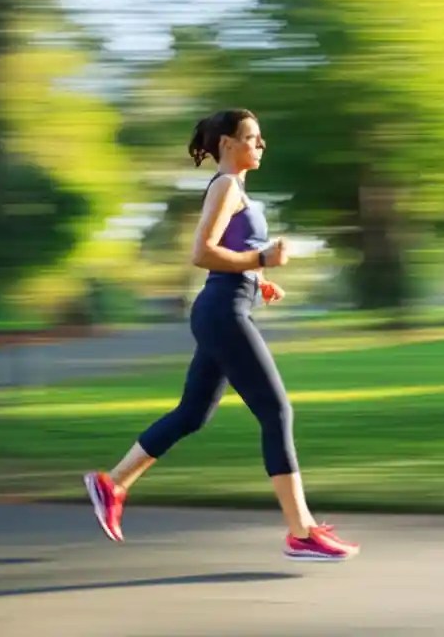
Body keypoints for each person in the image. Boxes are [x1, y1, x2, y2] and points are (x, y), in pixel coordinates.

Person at [83, 108, 359, 562]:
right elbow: (202, 253)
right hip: (222, 314)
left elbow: (233, 254)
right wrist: (261, 262)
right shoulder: (227, 186)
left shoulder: (238, 190)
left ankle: (112, 484)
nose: (261, 144)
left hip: (224, 308)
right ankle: (301, 531)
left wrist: (257, 279)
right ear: (227, 144)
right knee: (276, 411)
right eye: (252, 137)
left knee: (193, 413)